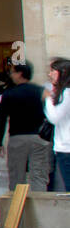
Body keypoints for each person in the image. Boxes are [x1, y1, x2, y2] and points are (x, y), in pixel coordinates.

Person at [0, 62, 51, 190]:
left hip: (17, 138)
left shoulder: (8, 94)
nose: (11, 75)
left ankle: (18, 205)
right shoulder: (41, 92)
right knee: (39, 174)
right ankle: (40, 203)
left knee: (16, 175)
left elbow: (1, 120)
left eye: (12, 72)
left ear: (20, 74)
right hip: (39, 137)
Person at [45, 58, 70, 191]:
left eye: (52, 71)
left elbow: (54, 118)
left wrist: (49, 98)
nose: (50, 74)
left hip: (66, 147)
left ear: (62, 72)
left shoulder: (67, 93)